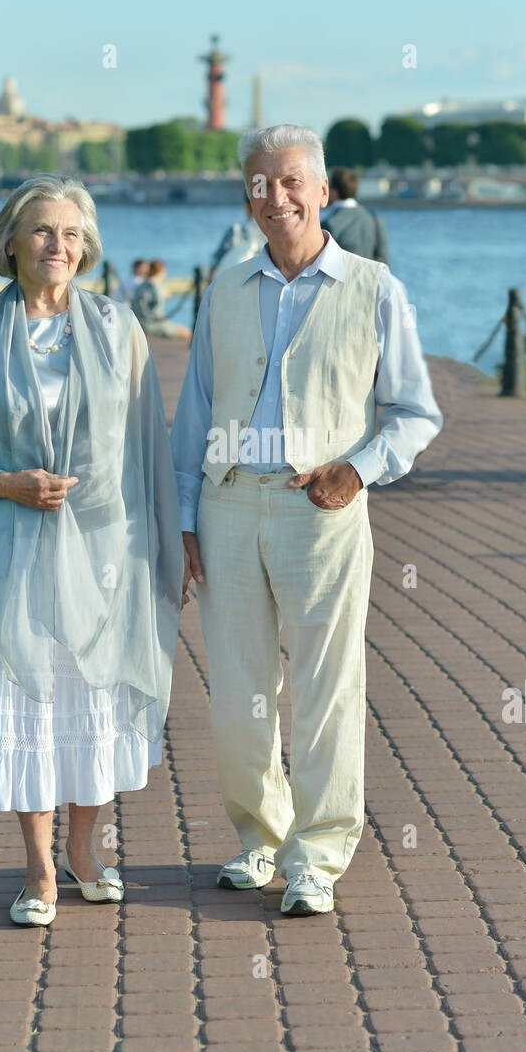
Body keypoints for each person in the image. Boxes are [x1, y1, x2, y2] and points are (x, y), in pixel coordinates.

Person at [170, 125, 442, 917]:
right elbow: (193, 414)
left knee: (326, 686)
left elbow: (415, 411)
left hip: (319, 509)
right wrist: (184, 518)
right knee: (238, 690)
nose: (276, 197)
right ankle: (262, 836)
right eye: (260, 183)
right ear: (246, 196)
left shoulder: (372, 287)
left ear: (324, 191)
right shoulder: (223, 287)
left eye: (292, 182)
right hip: (225, 507)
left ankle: (317, 855)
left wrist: (356, 469)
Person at [0, 176, 183, 927]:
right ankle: (37, 871)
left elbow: (147, 447)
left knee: (94, 698)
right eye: (42, 231)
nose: (58, 246)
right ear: (10, 243)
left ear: (87, 246)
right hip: (12, 547)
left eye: (71, 233)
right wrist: (3, 482)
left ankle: (84, 850)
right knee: (24, 703)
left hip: (106, 551)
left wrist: (165, 548)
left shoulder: (120, 327)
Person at [323, 166, 390, 267]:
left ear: (333, 192)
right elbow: (384, 263)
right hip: (370, 280)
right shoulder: (374, 219)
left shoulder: (329, 224)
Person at [208, 198, 266, 283]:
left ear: (246, 207)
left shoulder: (236, 231)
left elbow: (216, 260)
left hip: (229, 285)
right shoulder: (271, 232)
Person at [132, 258, 191, 340]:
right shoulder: (157, 288)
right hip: (152, 325)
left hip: (139, 322)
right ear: (161, 271)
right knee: (186, 333)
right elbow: (156, 314)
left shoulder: (142, 285)